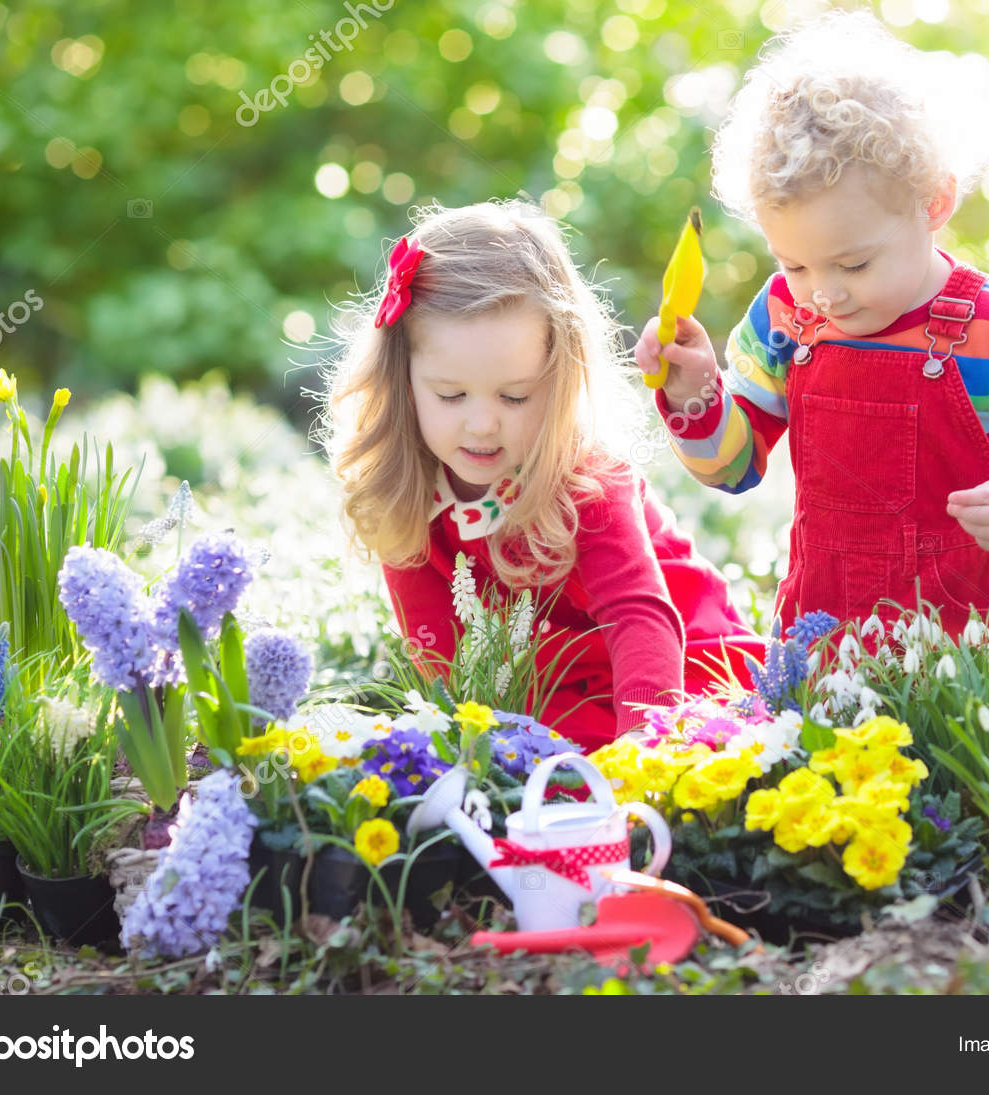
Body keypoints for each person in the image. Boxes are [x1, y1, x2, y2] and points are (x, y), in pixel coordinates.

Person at [634, 10, 989, 639]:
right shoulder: (783, 318)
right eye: (794, 263)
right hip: (825, 644)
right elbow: (733, 470)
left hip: (979, 655)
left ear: (934, 204)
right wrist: (694, 394)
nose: (825, 292)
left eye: (855, 263)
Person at [320, 199, 764, 752]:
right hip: (555, 685)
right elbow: (442, 658)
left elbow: (640, 616)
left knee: (710, 739)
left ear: (558, 380)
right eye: (450, 395)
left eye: (515, 395)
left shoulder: (586, 477)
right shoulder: (406, 490)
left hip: (672, 663)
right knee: (516, 745)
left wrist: (645, 761)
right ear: (401, 381)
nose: (482, 424)